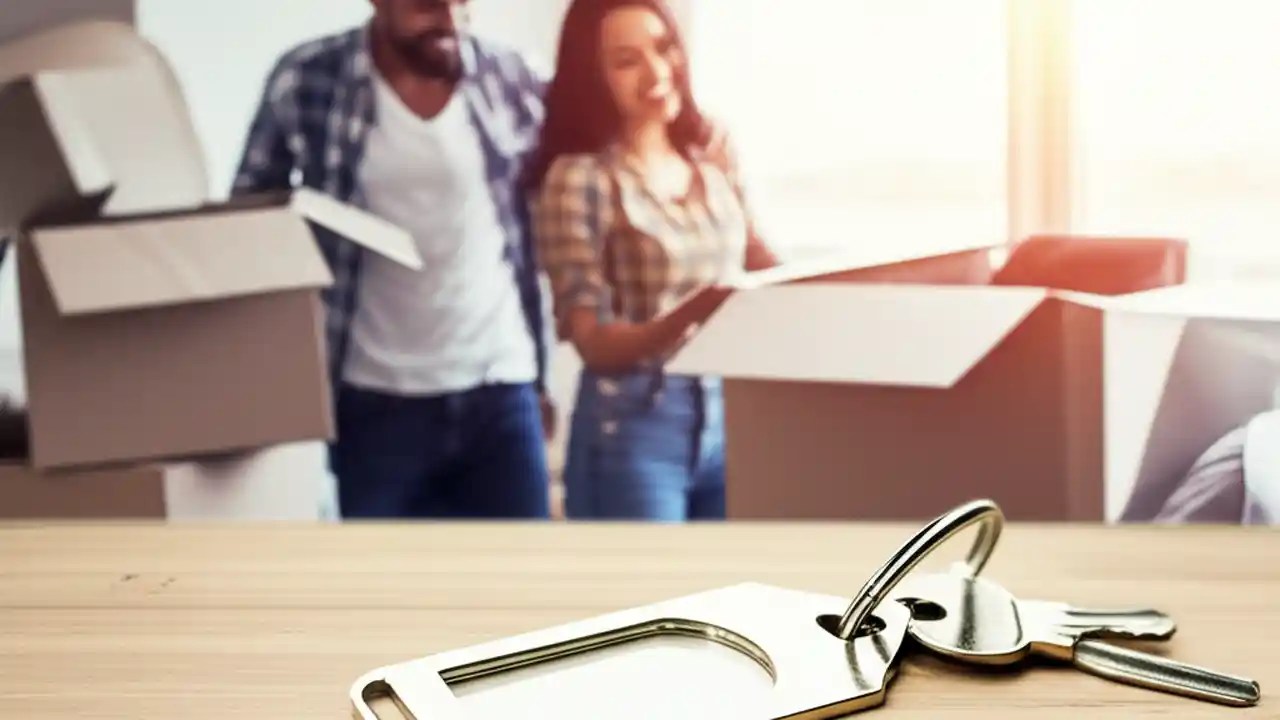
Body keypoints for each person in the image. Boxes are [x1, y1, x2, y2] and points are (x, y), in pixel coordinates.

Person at [232, 0, 555, 520]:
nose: (449, 20)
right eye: (427, 5)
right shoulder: (308, 79)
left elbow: (593, 151)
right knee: (389, 590)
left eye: (461, 3)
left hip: (498, 390)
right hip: (374, 401)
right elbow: (247, 219)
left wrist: (698, 137)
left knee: (525, 590)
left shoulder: (511, 76)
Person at [525, 0, 779, 521]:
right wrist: (696, 309)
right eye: (626, 61)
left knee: (728, 596)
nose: (658, 73)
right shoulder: (579, 179)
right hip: (634, 426)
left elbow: (764, 263)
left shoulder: (711, 155)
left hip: (729, 415)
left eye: (664, 48)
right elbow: (594, 343)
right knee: (648, 597)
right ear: (593, 79)